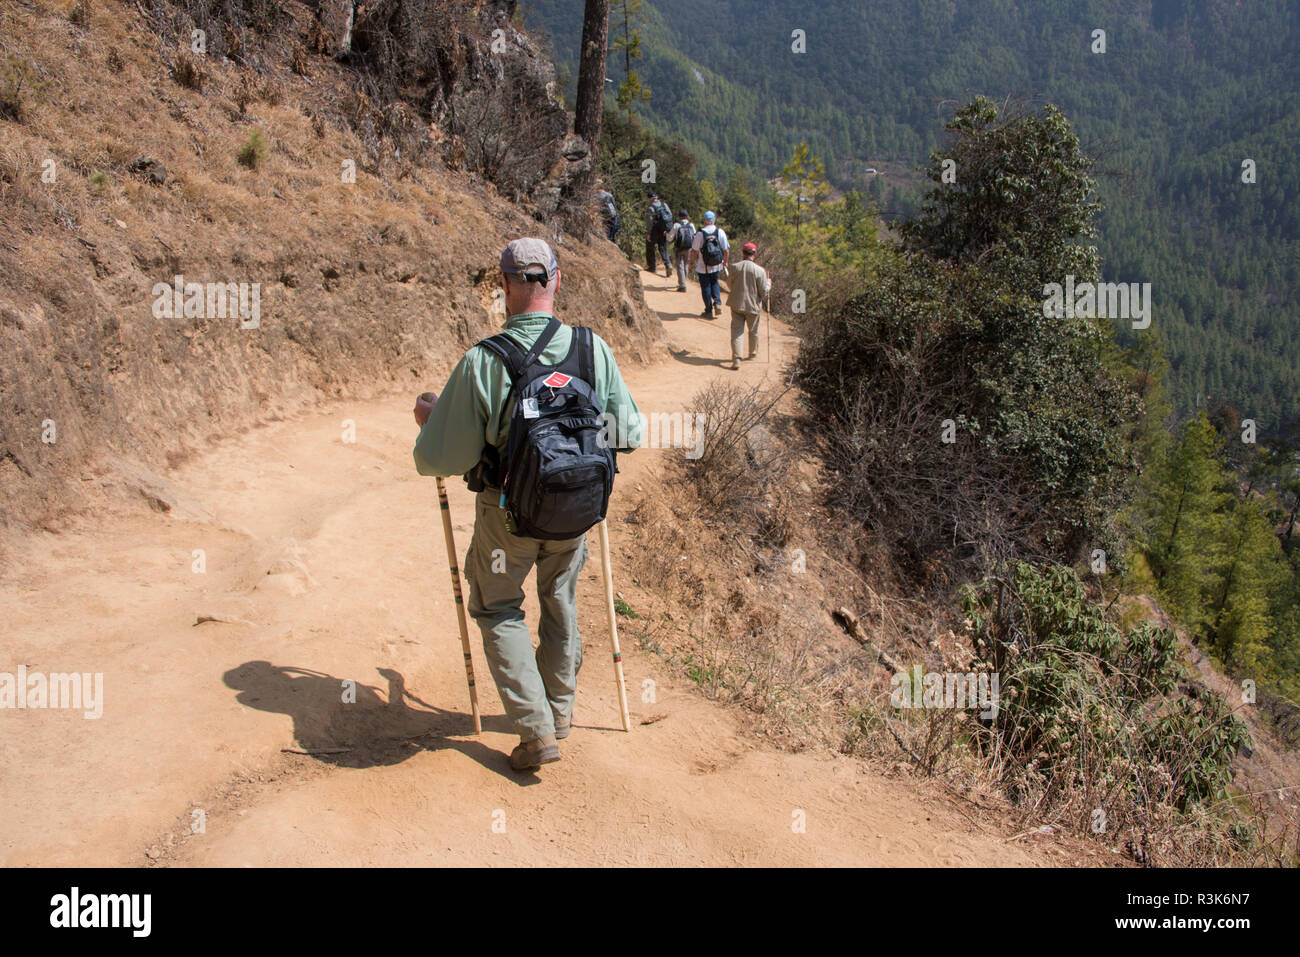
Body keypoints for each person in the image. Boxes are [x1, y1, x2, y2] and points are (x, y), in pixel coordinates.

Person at [413, 238, 643, 772]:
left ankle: (536, 731)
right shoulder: (593, 349)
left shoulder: (483, 361)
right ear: (556, 280)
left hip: (506, 517)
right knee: (559, 602)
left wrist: (432, 418)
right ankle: (560, 716)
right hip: (576, 514)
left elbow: (439, 459)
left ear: (504, 287)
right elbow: (628, 433)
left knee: (498, 608)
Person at [725, 242, 771, 370]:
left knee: (736, 331)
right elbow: (764, 292)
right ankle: (752, 352)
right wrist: (769, 284)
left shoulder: (734, 267)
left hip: (736, 304)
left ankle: (736, 359)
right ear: (754, 254)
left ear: (743, 252)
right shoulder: (760, 271)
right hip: (753, 306)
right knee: (753, 330)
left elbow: (729, 284)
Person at [688, 210, 728, 318]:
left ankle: (708, 310)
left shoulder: (700, 234)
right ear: (714, 220)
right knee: (714, 282)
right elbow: (726, 250)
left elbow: (693, 251)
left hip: (703, 266)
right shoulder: (720, 232)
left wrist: (691, 264)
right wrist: (725, 261)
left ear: (705, 221)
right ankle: (718, 303)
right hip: (716, 264)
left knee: (705, 286)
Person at [644, 192, 673, 276]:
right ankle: (668, 265)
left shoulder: (651, 208)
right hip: (664, 230)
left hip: (655, 230)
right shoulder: (664, 205)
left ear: (650, 199)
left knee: (649, 246)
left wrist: (649, 233)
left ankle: (652, 267)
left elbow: (649, 222)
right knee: (663, 248)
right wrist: (667, 230)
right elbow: (670, 216)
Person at [667, 209, 695, 292]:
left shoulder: (676, 225)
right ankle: (683, 282)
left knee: (680, 266)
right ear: (687, 216)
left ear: (679, 216)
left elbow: (669, 238)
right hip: (689, 248)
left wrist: (666, 234)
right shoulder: (691, 225)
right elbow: (694, 236)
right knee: (685, 264)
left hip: (679, 248)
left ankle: (682, 285)